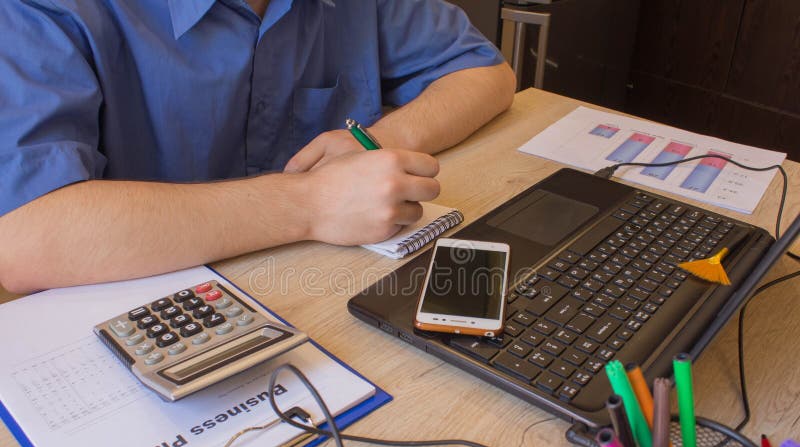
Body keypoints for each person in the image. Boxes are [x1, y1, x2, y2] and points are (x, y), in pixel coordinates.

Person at [0, 0, 516, 293]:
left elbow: (486, 72)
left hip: (325, 294)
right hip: (147, 329)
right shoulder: (45, 10)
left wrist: (375, 141)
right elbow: (24, 236)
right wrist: (312, 203)